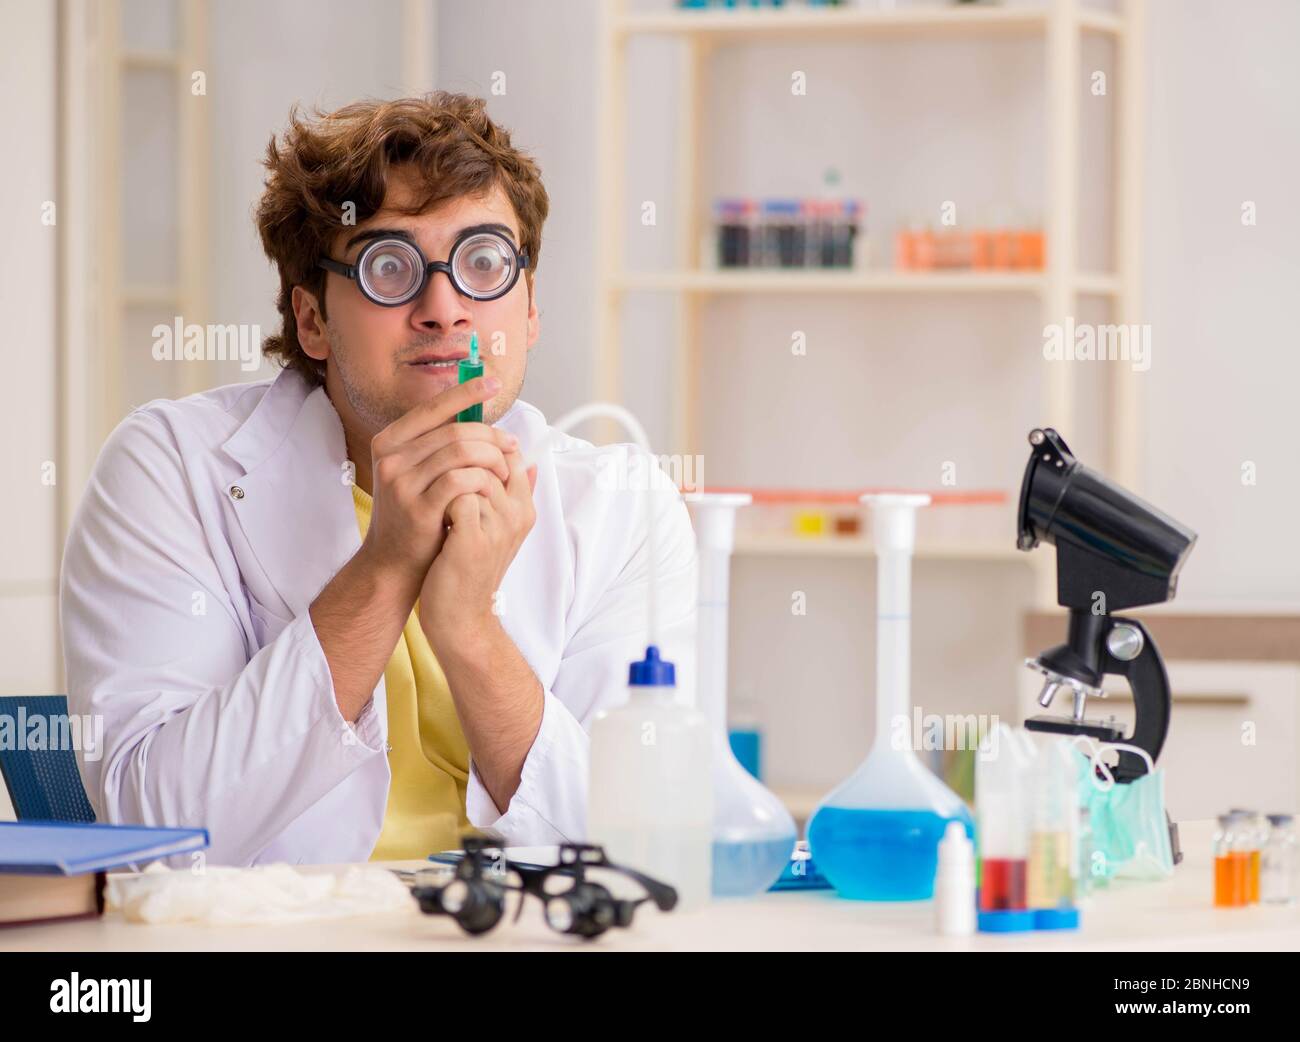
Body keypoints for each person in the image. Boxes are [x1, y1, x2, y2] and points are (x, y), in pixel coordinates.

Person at [61, 92, 697, 865]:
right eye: (388, 266)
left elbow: (644, 850)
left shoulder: (619, 506)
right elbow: (152, 835)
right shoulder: (168, 468)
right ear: (313, 320)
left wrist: (468, 631)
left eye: (485, 262)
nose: (444, 308)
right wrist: (387, 566)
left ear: (528, 308)